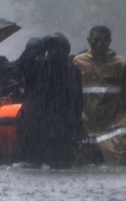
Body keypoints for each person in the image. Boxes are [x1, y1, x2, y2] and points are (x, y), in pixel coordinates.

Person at [73, 25, 126, 165]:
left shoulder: (119, 63)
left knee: (121, 162)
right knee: (81, 164)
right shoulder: (78, 62)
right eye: (96, 40)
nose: (100, 44)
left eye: (104, 40)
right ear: (89, 40)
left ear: (110, 41)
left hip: (115, 122)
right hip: (86, 121)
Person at [14, 33, 83, 169]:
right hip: (35, 120)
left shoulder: (73, 71)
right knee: (30, 162)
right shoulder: (37, 66)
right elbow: (20, 65)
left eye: (61, 48)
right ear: (48, 50)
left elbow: (78, 101)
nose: (58, 52)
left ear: (67, 51)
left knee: (59, 163)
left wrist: (76, 123)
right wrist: (43, 42)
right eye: (53, 48)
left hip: (60, 122)